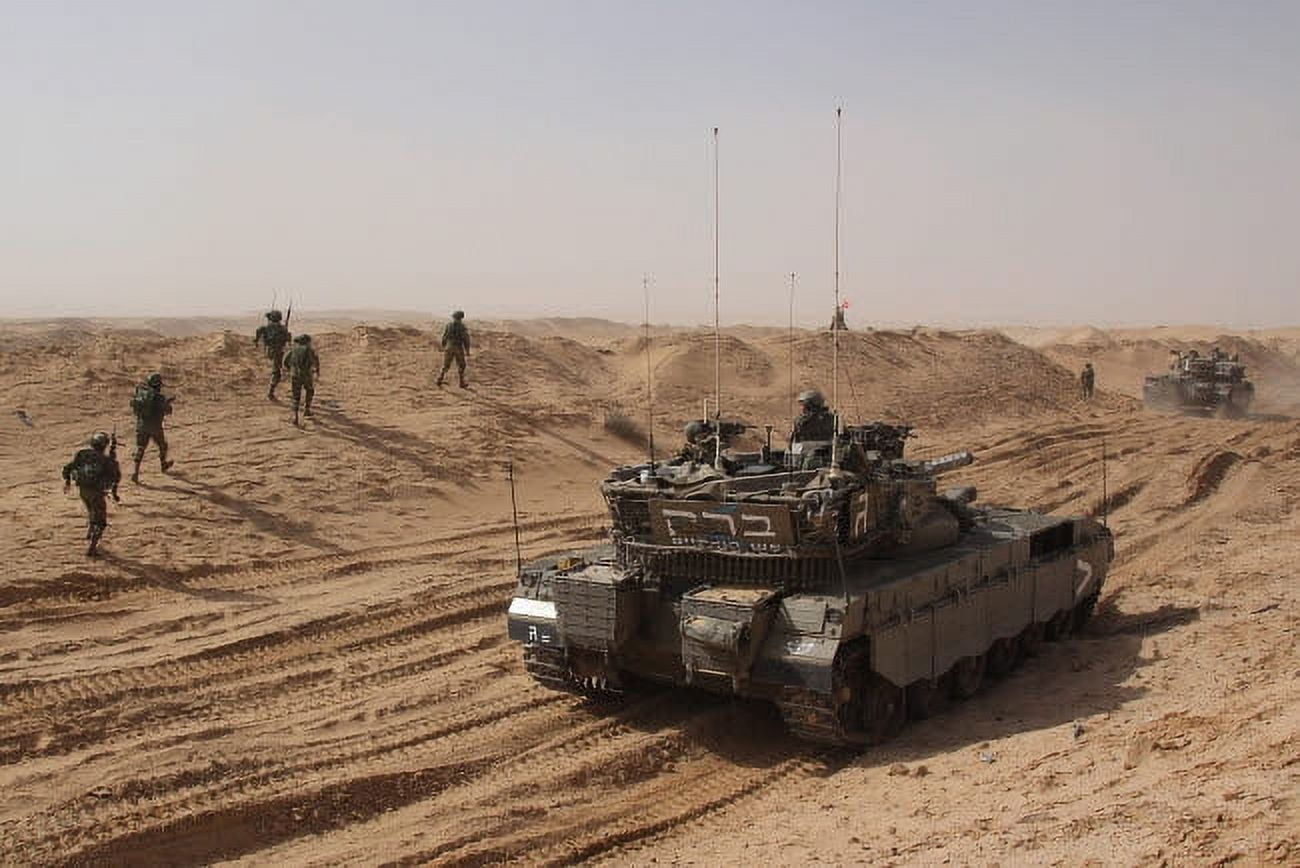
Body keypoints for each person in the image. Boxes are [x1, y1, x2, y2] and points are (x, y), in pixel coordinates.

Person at [62, 431, 122, 557]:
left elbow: (68, 468)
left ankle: (90, 532)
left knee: (91, 510)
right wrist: (114, 493)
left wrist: (67, 481)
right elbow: (115, 477)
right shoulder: (106, 460)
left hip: (83, 491)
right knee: (101, 521)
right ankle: (92, 548)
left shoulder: (83, 454)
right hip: (96, 492)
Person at [130, 372, 174, 482]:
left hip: (141, 426)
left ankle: (135, 472)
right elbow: (168, 410)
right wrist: (167, 403)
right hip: (155, 427)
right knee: (163, 445)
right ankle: (163, 464)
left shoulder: (141, 393)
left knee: (140, 448)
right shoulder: (159, 397)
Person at [790, 389, 836, 469]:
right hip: (829, 460)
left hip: (811, 461)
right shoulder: (832, 418)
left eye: (804, 405)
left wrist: (796, 463)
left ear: (811, 405)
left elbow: (794, 444)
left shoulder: (801, 421)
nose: (802, 409)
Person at [253, 309, 292, 400]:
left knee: (277, 369)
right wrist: (286, 331)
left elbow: (258, 331)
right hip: (277, 352)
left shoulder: (266, 327)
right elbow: (287, 339)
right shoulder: (282, 328)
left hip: (269, 350)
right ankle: (270, 393)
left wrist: (256, 341)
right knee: (276, 373)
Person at [283, 333, 321, 426]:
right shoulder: (309, 350)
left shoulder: (293, 350)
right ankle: (307, 410)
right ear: (307, 342)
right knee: (310, 390)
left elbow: (285, 362)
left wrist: (290, 370)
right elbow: (315, 361)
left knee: (296, 396)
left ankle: (295, 417)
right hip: (306, 375)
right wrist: (316, 371)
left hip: (295, 375)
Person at [437, 310, 471, 388]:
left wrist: (443, 345)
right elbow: (466, 339)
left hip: (449, 346)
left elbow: (444, 336)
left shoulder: (449, 325)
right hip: (458, 347)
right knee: (462, 365)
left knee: (446, 365)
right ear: (461, 317)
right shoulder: (462, 327)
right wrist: (467, 350)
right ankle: (461, 382)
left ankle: (440, 379)